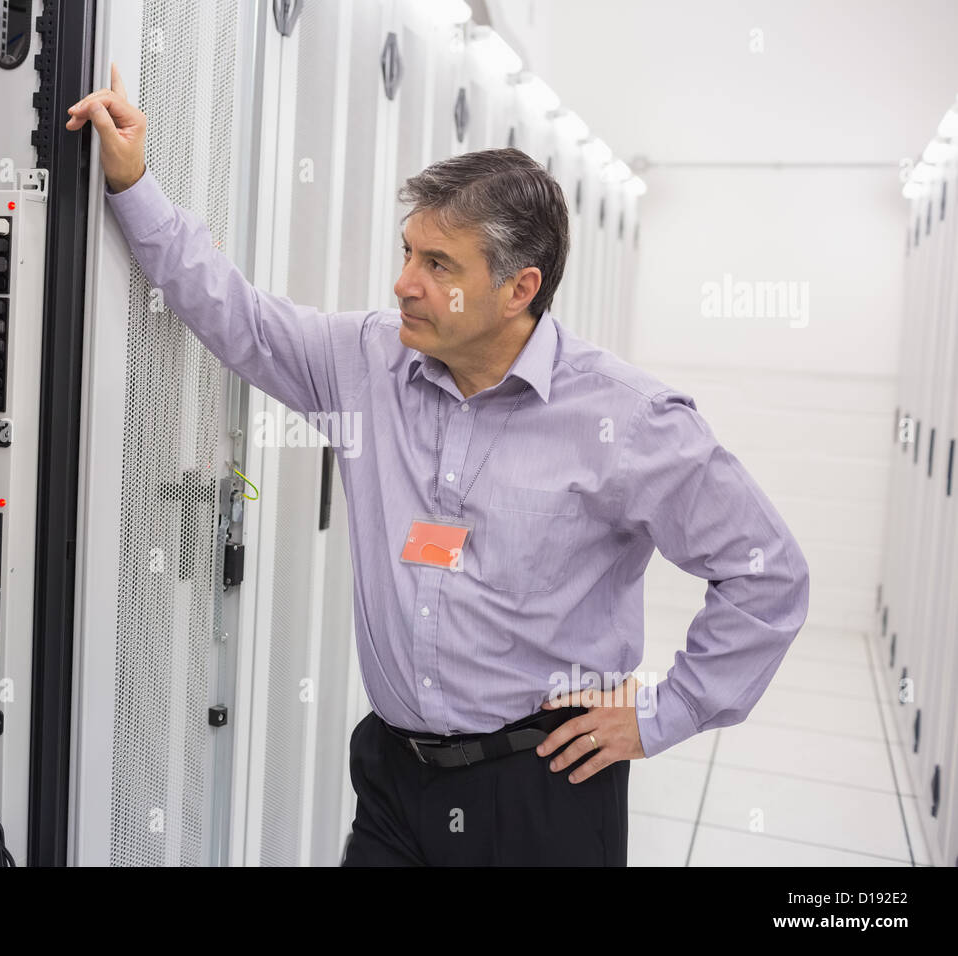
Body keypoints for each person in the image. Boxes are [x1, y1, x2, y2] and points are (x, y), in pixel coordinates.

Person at [66, 64, 811, 866]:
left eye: (438, 266)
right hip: (396, 779)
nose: (403, 283)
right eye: (408, 252)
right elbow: (236, 315)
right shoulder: (367, 364)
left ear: (519, 288)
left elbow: (766, 574)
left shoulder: (624, 420)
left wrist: (667, 713)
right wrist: (133, 181)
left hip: (543, 790)